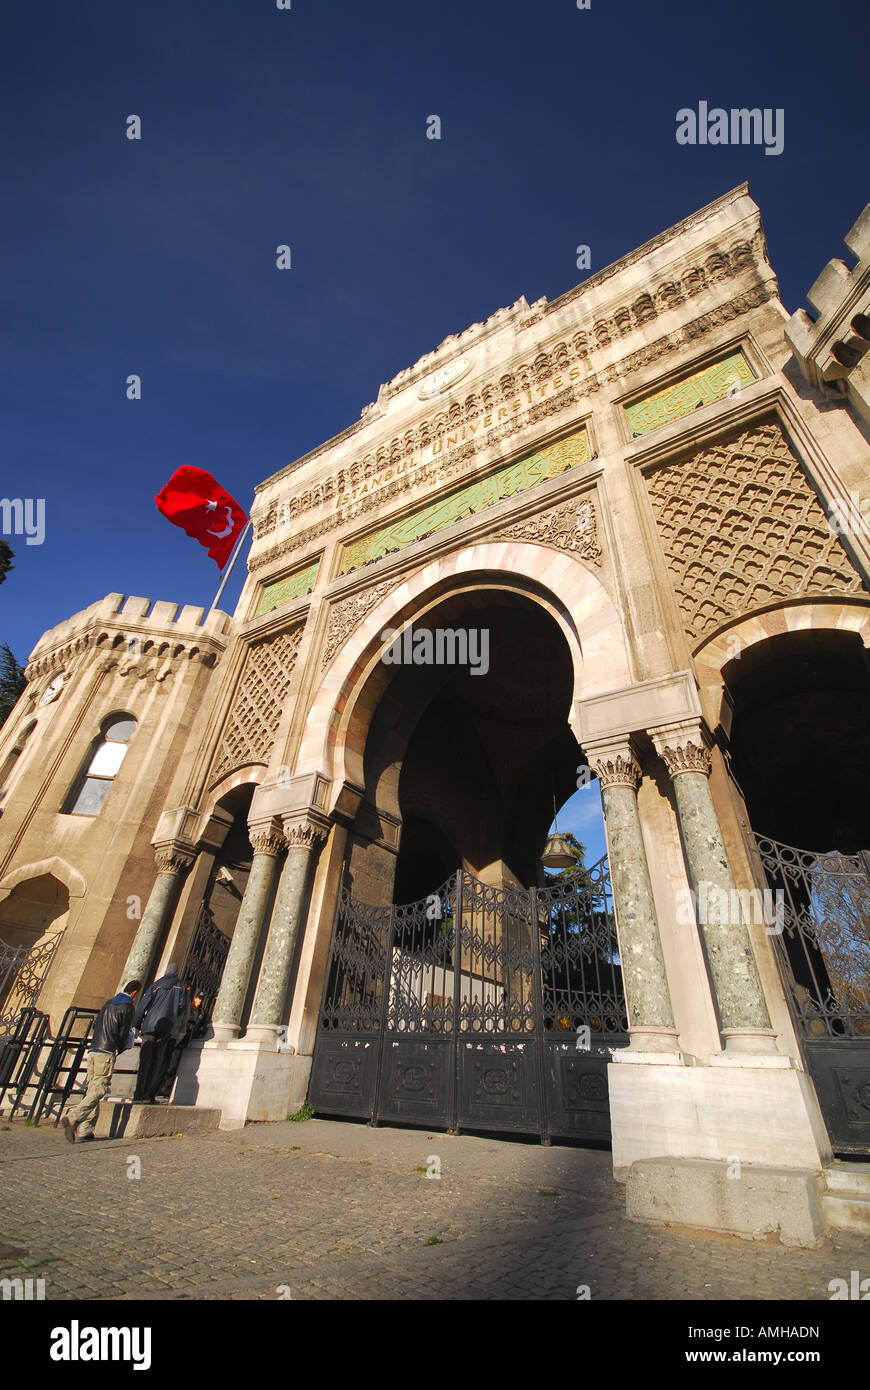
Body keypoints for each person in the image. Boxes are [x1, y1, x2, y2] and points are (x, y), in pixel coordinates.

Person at [62, 979, 141, 1143]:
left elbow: (96, 1025)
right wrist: (123, 1045)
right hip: (106, 1051)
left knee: (92, 1089)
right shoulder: (128, 1007)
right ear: (134, 993)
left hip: (93, 1049)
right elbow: (122, 1033)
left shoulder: (108, 1003)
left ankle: (85, 1130)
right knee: (99, 1090)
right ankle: (73, 1117)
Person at [131, 963, 190, 1105]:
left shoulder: (156, 985)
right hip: (166, 1027)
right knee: (157, 1060)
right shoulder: (180, 987)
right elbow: (183, 1006)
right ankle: (149, 1094)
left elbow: (143, 1005)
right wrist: (173, 1017)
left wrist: (136, 1024)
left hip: (150, 1025)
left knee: (145, 1060)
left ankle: (138, 1093)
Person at [155, 987, 207, 1100]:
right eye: (198, 998)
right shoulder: (189, 1008)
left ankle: (167, 1089)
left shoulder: (201, 1012)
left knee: (173, 1065)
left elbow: (201, 1026)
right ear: (194, 998)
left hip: (185, 1040)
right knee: (168, 1064)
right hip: (177, 1038)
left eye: (201, 999)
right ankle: (160, 1088)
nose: (199, 1001)